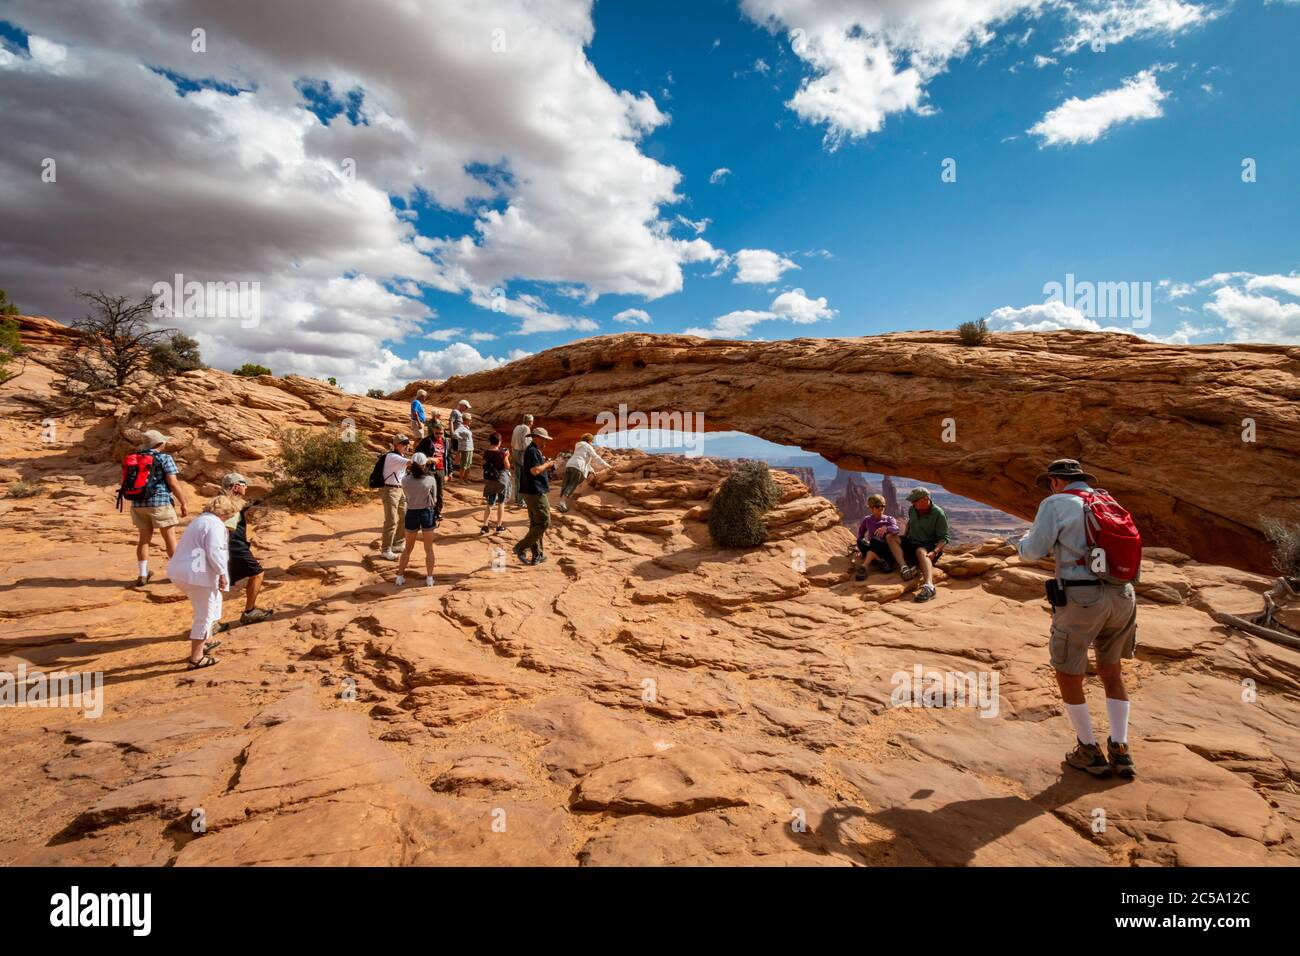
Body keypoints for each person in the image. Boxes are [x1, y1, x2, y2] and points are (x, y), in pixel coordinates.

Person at [1018, 458, 1138, 779]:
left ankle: (1088, 749)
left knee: (1068, 671)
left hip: (1082, 598)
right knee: (1111, 671)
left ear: (1056, 481)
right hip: (1124, 595)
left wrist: (1022, 541)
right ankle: (1121, 749)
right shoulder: (1107, 500)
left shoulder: (1055, 503)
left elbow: (1032, 551)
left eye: (1050, 483)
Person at [168, 494, 240, 669]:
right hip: (197, 575)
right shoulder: (215, 524)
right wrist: (222, 573)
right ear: (226, 511)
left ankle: (204, 641)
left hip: (186, 571)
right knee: (205, 614)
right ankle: (196, 658)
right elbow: (215, 551)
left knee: (215, 602)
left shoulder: (201, 520)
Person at [129, 429, 190, 587]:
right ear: (160, 443)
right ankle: (176, 573)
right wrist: (183, 502)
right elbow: (173, 483)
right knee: (169, 538)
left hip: (137, 503)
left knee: (144, 539)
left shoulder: (135, 458)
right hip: (160, 502)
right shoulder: (164, 458)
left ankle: (142, 574)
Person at [219, 472, 272, 624]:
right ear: (235, 487)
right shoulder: (232, 505)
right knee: (257, 573)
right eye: (243, 484)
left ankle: (212, 622)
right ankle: (249, 612)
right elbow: (227, 529)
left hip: (226, 547)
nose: (246, 487)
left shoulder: (222, 500)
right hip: (234, 546)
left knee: (220, 583)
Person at [515, 426, 559, 565]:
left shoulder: (533, 451)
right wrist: (548, 464)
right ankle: (521, 547)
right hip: (535, 491)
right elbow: (535, 471)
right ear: (537, 438)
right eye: (544, 439)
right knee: (544, 522)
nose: (545, 442)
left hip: (530, 490)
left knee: (535, 523)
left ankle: (537, 555)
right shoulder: (533, 451)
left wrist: (545, 464)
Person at [396, 452, 438, 587]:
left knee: (407, 548)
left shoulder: (405, 480)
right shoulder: (430, 480)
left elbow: (406, 495)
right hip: (426, 512)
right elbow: (435, 499)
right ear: (425, 464)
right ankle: (429, 578)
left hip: (411, 512)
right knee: (429, 549)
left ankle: (399, 576)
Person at [899, 487, 948, 603]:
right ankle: (904, 568)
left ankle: (929, 586)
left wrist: (935, 552)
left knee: (921, 552)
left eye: (915, 501)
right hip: (912, 541)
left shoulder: (939, 514)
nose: (912, 503)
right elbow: (910, 524)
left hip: (928, 546)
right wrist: (904, 537)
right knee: (891, 538)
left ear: (925, 499)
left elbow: (944, 538)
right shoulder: (912, 509)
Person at [851, 494, 915, 582]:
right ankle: (881, 562)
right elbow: (861, 535)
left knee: (874, 540)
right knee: (860, 541)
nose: (881, 508)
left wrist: (886, 528)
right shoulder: (867, 520)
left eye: (883, 506)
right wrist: (859, 549)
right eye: (878, 506)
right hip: (875, 548)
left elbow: (896, 530)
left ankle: (864, 566)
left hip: (886, 550)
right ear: (871, 508)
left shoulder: (889, 519)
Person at [378, 433, 412, 560]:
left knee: (405, 516)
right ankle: (385, 549)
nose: (407, 446)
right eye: (404, 444)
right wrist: (428, 459)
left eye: (407, 444)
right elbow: (411, 463)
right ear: (397, 445)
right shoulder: (392, 456)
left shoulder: (400, 456)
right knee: (391, 520)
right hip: (390, 491)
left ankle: (397, 543)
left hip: (400, 490)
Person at [556, 433, 609, 513]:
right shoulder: (588, 446)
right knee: (572, 484)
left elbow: (586, 461)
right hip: (578, 467)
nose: (592, 443)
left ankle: (561, 501)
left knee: (566, 483)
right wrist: (607, 466)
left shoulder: (578, 446)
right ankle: (562, 503)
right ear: (589, 440)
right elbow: (596, 457)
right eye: (592, 441)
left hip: (569, 465)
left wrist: (592, 470)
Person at [415, 422, 448, 522]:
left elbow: (448, 457)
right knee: (429, 491)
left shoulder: (446, 442)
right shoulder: (427, 441)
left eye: (441, 433)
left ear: (443, 433)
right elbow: (418, 454)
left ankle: (438, 512)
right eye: (437, 433)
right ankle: (428, 512)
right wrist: (428, 459)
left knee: (440, 492)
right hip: (430, 470)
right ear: (433, 432)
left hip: (441, 469)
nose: (439, 435)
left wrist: (449, 472)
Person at [479, 433, 510, 534]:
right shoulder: (502, 453)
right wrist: (507, 456)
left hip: (491, 480)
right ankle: (499, 526)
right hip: (501, 479)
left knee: (490, 503)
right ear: (499, 442)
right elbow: (507, 466)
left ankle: (484, 526)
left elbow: (484, 464)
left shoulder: (486, 453)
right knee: (501, 502)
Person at [510, 414, 534, 509]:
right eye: (532, 421)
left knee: (517, 477)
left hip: (515, 452)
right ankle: (521, 501)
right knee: (523, 478)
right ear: (530, 422)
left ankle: (517, 498)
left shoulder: (516, 427)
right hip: (522, 453)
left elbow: (512, 441)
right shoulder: (526, 429)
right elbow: (526, 443)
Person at [447, 399, 471, 480]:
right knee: (457, 450)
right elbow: (451, 422)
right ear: (461, 405)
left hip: (460, 435)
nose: (467, 408)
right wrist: (452, 433)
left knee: (458, 450)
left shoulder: (460, 413)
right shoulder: (455, 412)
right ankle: (455, 467)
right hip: (456, 435)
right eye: (466, 407)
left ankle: (457, 466)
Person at [455, 412, 474, 480]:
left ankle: (466, 479)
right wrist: (460, 438)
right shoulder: (461, 427)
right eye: (470, 420)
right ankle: (461, 480)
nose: (471, 421)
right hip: (465, 448)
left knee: (469, 464)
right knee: (464, 464)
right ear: (465, 420)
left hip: (470, 448)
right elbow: (455, 433)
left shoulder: (467, 427)